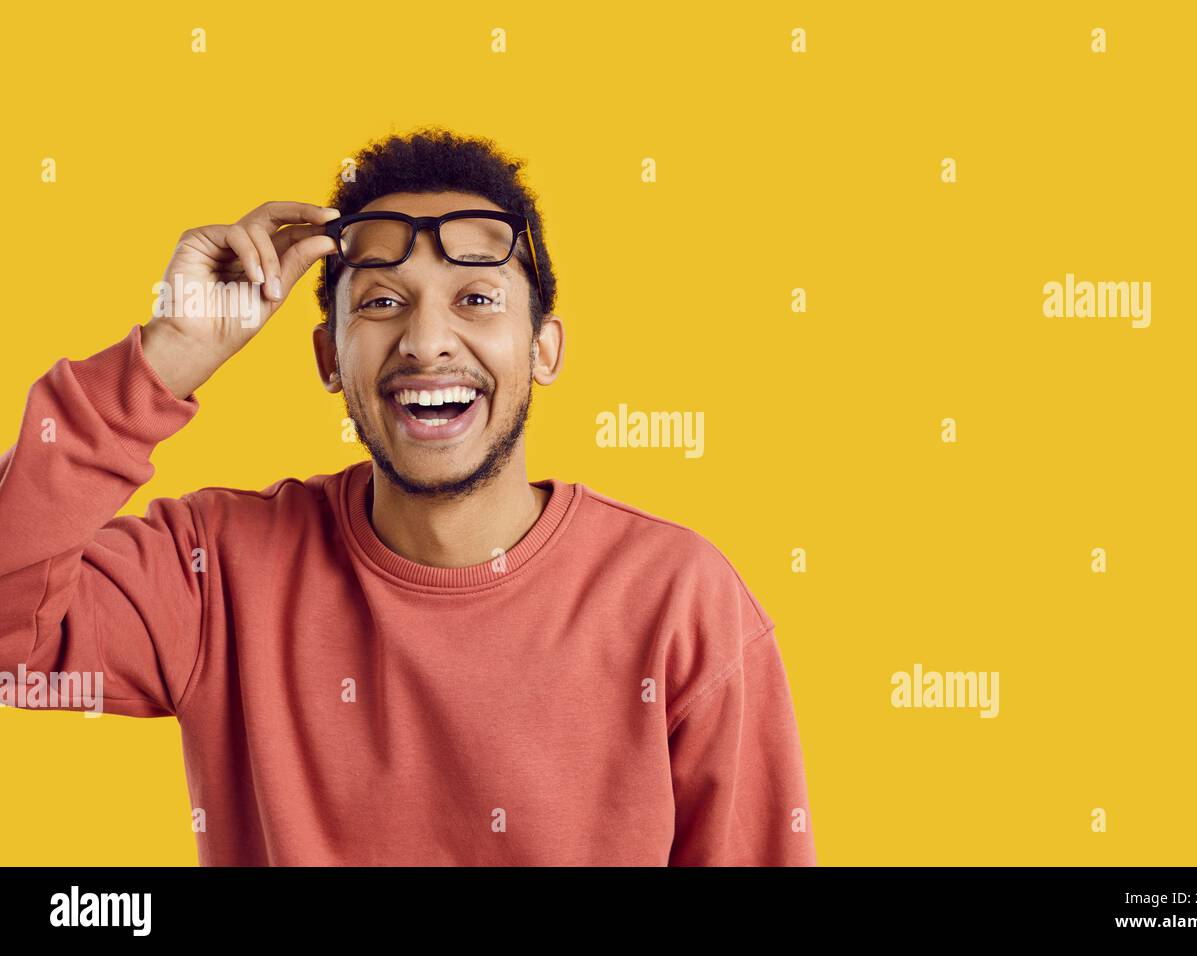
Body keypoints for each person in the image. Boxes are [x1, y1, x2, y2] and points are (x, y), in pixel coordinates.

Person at [0, 127, 815, 866]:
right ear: (329, 360)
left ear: (543, 350)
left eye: (477, 300)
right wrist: (169, 355)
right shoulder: (216, 573)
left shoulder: (681, 601)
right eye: (383, 303)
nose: (426, 342)